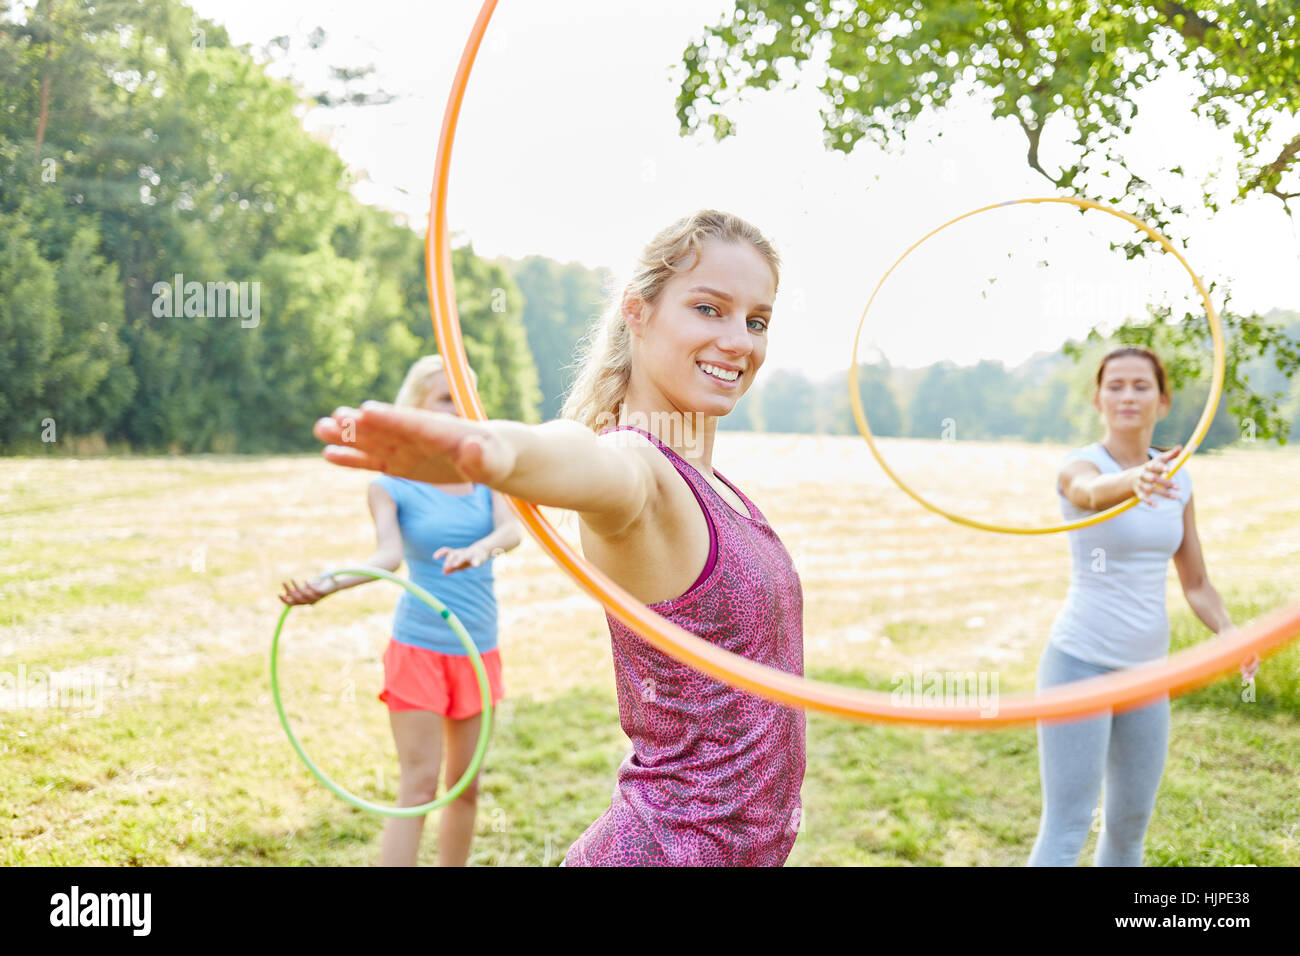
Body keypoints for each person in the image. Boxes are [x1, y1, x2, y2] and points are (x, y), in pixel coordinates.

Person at [312, 210, 806, 866]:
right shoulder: (637, 468)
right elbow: (576, 457)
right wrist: (492, 450)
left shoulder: (720, 489)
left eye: (757, 320)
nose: (739, 341)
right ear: (638, 312)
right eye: (709, 309)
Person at [280, 355, 521, 867]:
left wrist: (482, 549)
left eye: (463, 396)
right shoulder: (391, 484)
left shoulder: (483, 474)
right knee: (417, 787)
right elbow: (386, 557)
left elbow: (512, 531)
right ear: (416, 408)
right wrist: (324, 586)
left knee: (465, 787)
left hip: (479, 648)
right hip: (419, 648)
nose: (457, 408)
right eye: (443, 398)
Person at [1027, 346, 1256, 867]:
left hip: (1148, 675)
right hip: (1079, 663)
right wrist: (1133, 481)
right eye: (1115, 385)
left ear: (1164, 400)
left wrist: (1229, 631)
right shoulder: (1080, 466)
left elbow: (1196, 583)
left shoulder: (1179, 478)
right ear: (1098, 398)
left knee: (1130, 829)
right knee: (1069, 825)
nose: (1127, 395)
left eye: (1141, 386)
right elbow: (1087, 493)